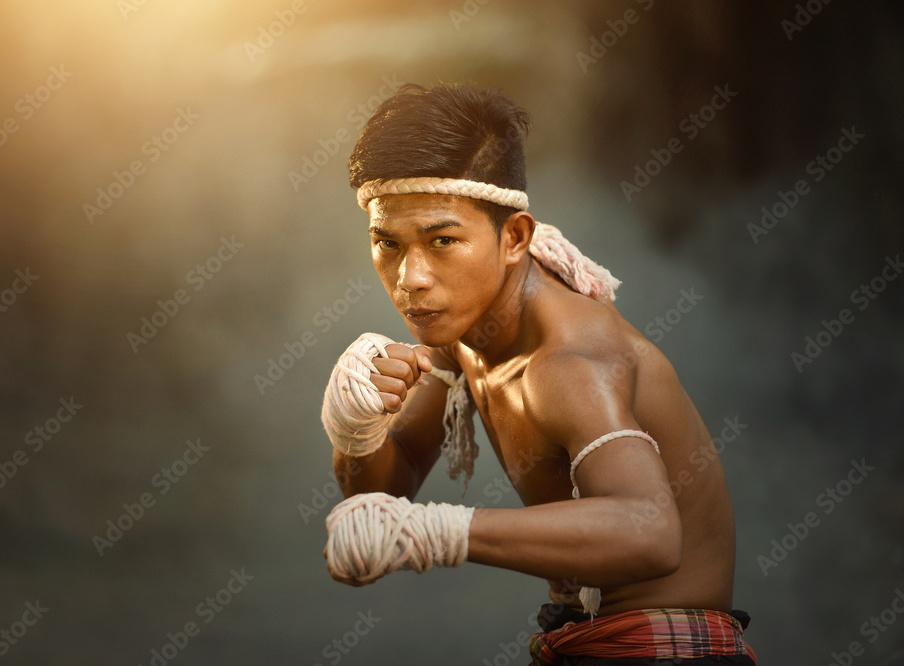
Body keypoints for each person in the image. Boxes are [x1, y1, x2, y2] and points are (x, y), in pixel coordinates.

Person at [320, 83, 756, 665]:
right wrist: (355, 429)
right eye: (387, 243)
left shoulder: (569, 364)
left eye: (442, 240)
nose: (411, 277)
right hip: (583, 640)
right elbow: (384, 494)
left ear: (515, 238)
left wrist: (440, 531)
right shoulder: (468, 331)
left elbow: (652, 533)